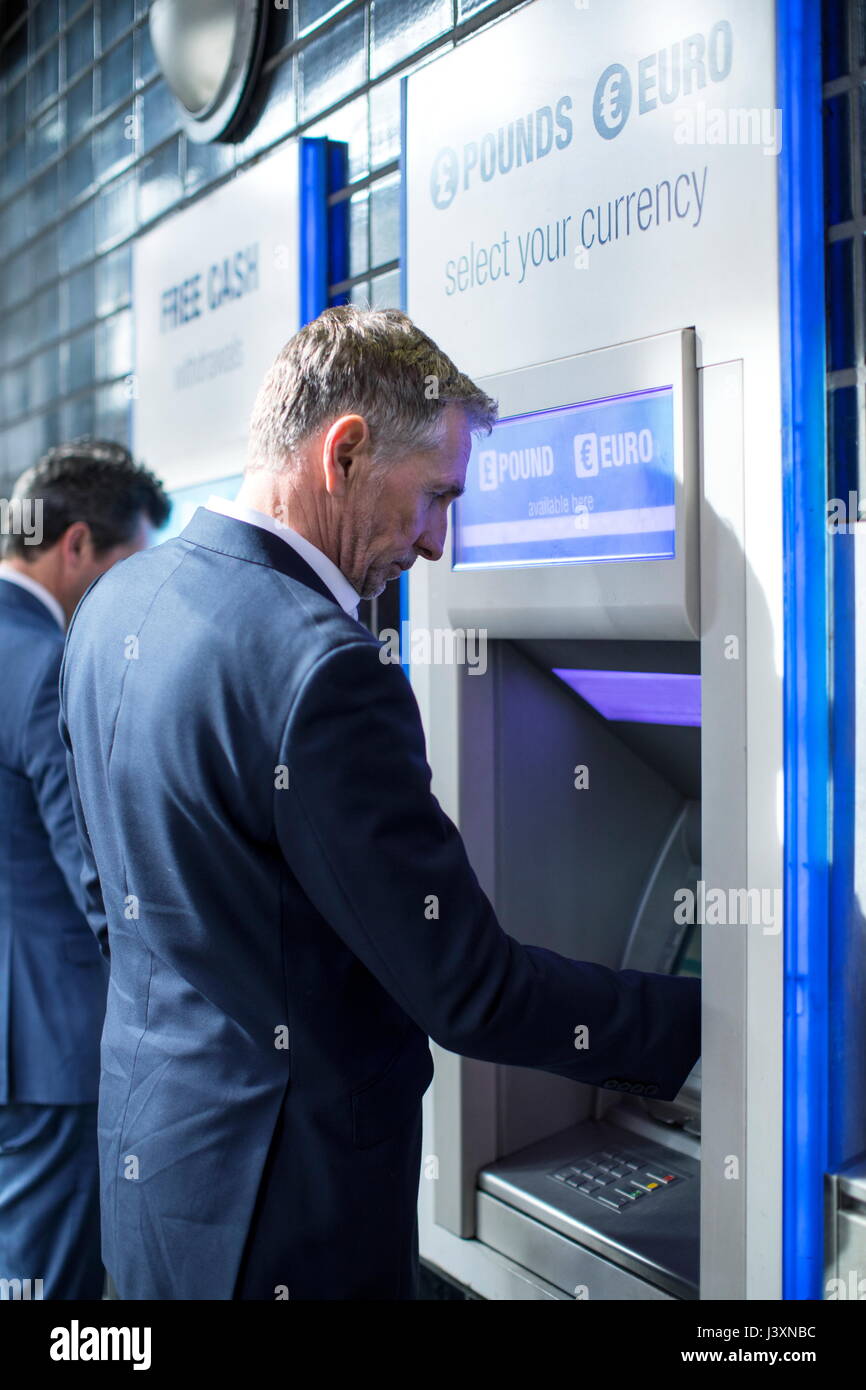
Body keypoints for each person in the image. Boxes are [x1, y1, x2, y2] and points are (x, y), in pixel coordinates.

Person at [58, 308, 700, 1301]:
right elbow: (468, 991)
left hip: (159, 1171)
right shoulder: (324, 670)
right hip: (291, 1208)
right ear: (345, 452)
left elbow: (110, 904)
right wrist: (715, 1020)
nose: (438, 544)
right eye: (435, 496)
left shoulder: (115, 609)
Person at [0, 439, 169, 1300]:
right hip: (48, 1047)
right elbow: (98, 879)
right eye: (126, 571)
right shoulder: (42, 665)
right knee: (44, 1282)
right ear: (74, 547)